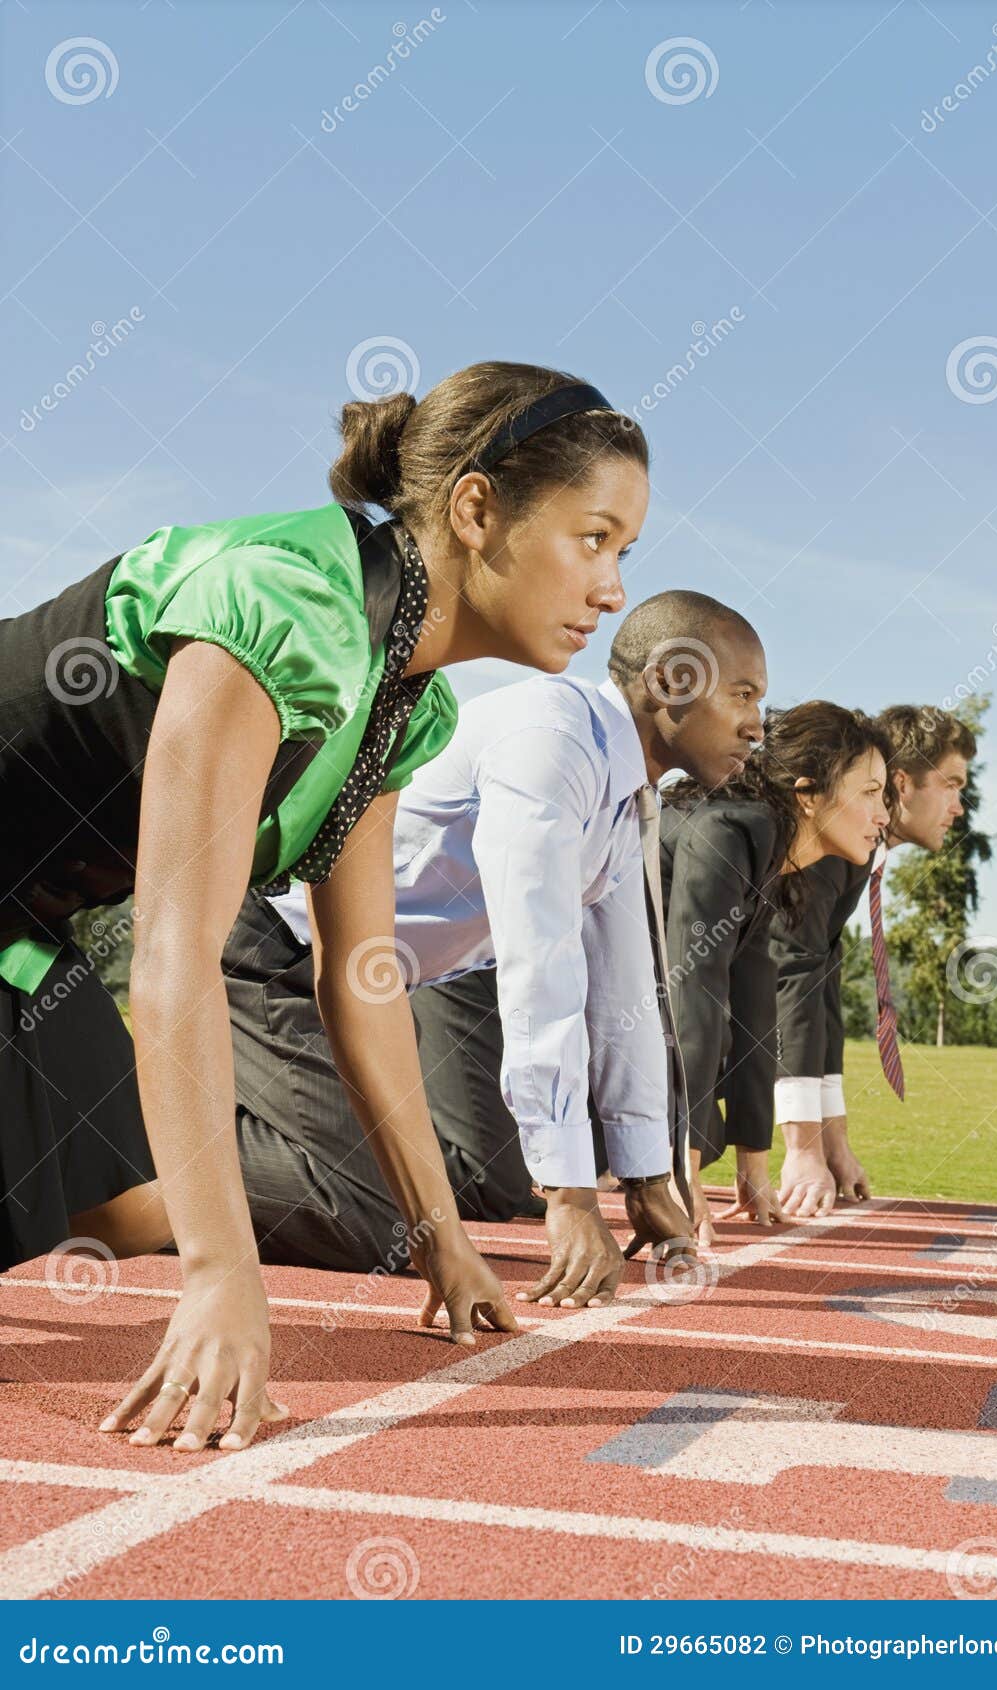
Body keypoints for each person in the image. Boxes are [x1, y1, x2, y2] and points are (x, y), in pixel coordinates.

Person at [0, 361, 649, 1454]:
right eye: (595, 538)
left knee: (94, 1183)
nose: (615, 587)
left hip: (25, 932)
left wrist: (440, 1235)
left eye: (625, 551)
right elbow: (174, 959)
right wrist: (218, 1273)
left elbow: (362, 982)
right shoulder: (285, 601)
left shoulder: (404, 704)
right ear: (478, 509)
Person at [226, 592, 767, 1305]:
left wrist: (643, 1177)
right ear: (671, 680)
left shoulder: (627, 793)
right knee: (387, 1219)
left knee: (479, 1182)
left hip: (368, 986)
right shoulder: (552, 741)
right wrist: (570, 1195)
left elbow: (621, 987)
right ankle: (140, 1152)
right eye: (744, 694)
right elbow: (539, 963)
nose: (756, 726)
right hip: (276, 952)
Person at [661, 703, 894, 1243]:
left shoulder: (774, 858)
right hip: (481, 978)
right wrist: (685, 1174)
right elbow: (693, 993)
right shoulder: (727, 832)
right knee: (492, 1183)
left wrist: (754, 1167)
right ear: (809, 795)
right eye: (868, 793)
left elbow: (753, 1001)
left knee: (709, 1131)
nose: (883, 815)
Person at [769, 704, 975, 1216]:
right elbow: (790, 974)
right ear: (902, 784)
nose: (959, 807)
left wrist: (834, 1144)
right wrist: (802, 1150)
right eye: (950, 784)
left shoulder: (857, 850)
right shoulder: (833, 839)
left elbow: (821, 988)